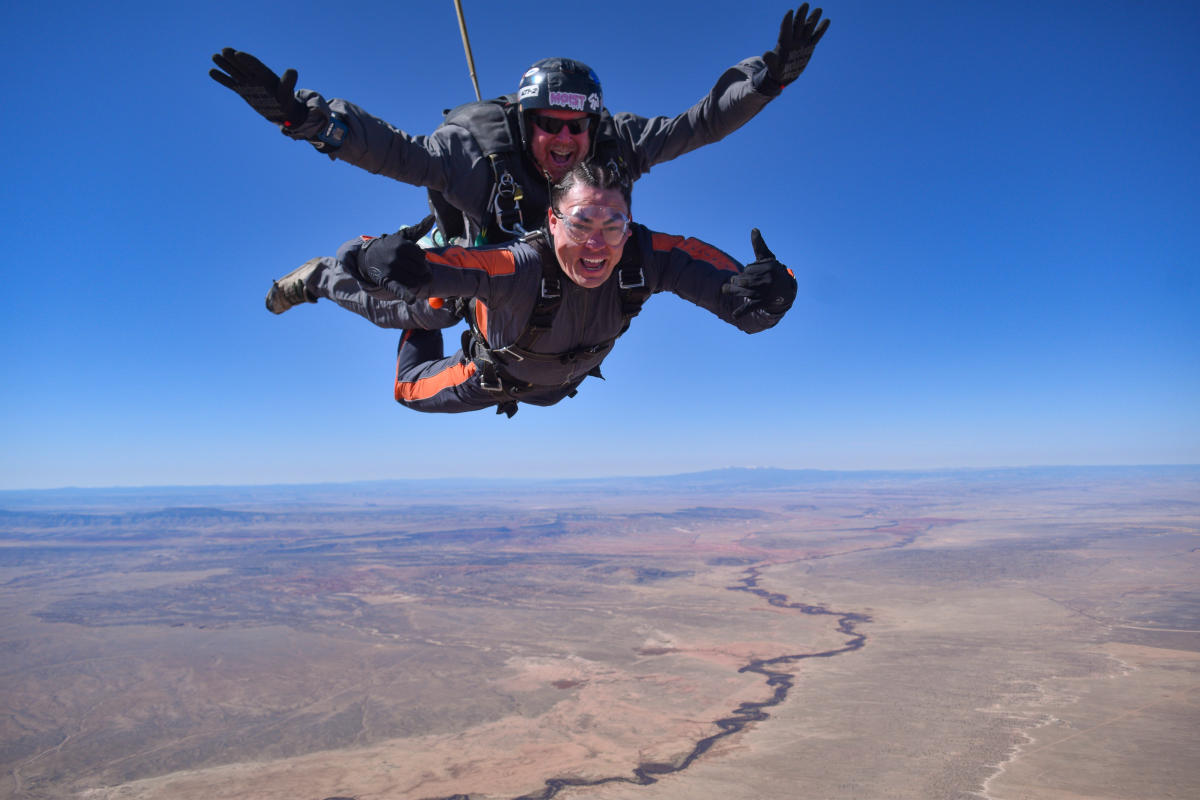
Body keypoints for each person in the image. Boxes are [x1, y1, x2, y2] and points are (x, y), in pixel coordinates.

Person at [209, 5, 829, 323]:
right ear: (525, 122)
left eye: (575, 126)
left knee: (599, 277)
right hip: (473, 243)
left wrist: (766, 82)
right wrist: (309, 119)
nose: (563, 139)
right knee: (425, 305)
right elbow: (396, 151)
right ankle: (321, 276)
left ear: (593, 124)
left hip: (547, 259)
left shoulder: (616, 146)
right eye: (548, 125)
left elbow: (698, 126)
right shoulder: (478, 153)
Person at [328, 161, 797, 417]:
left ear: (629, 227)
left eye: (613, 225)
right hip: (490, 378)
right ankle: (321, 281)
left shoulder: (648, 257)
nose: (596, 244)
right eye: (580, 224)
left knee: (429, 292)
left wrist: (774, 296)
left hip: (553, 384)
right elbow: (420, 266)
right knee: (409, 369)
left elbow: (744, 308)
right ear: (553, 222)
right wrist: (367, 255)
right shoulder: (518, 265)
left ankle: (428, 302)